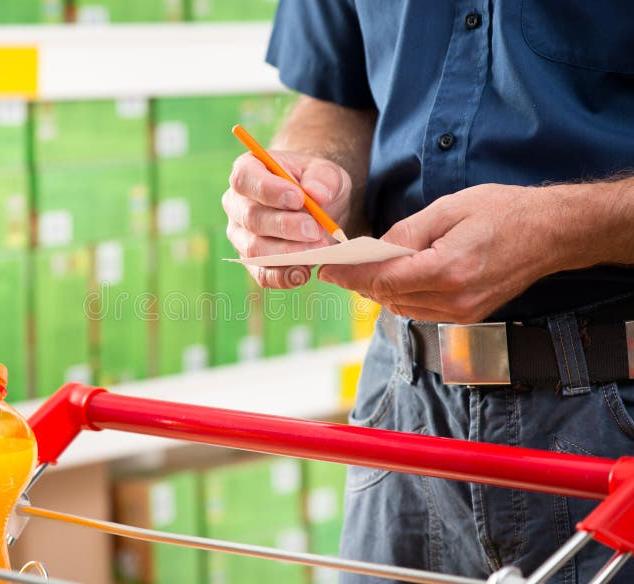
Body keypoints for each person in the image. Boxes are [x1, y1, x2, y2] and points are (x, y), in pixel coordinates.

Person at [222, 1, 634, 583]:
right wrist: (315, 174)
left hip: (617, 413)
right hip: (402, 402)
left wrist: (556, 228)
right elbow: (334, 100)